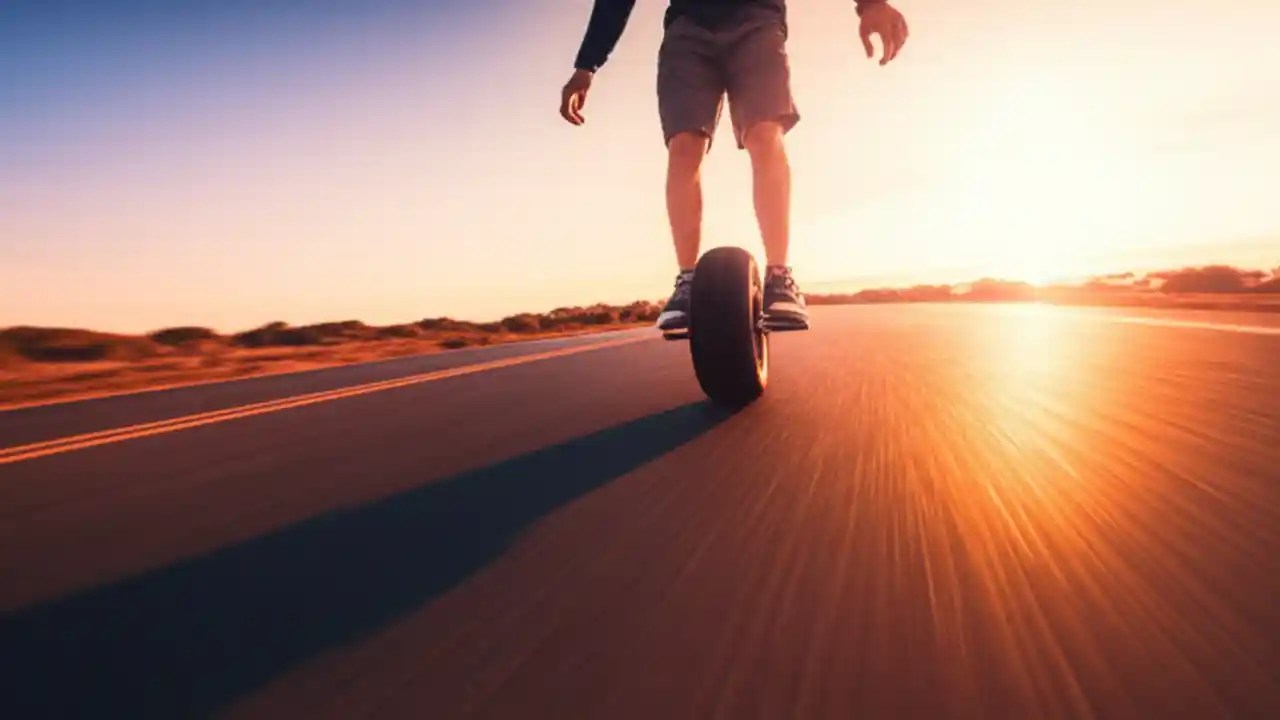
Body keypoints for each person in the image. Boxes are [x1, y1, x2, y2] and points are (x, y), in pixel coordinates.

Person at [559, 0, 909, 331]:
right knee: (684, 145)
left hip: (757, 19)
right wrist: (586, 65)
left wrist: (871, 3)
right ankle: (688, 282)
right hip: (687, 30)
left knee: (764, 132)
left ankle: (779, 277)